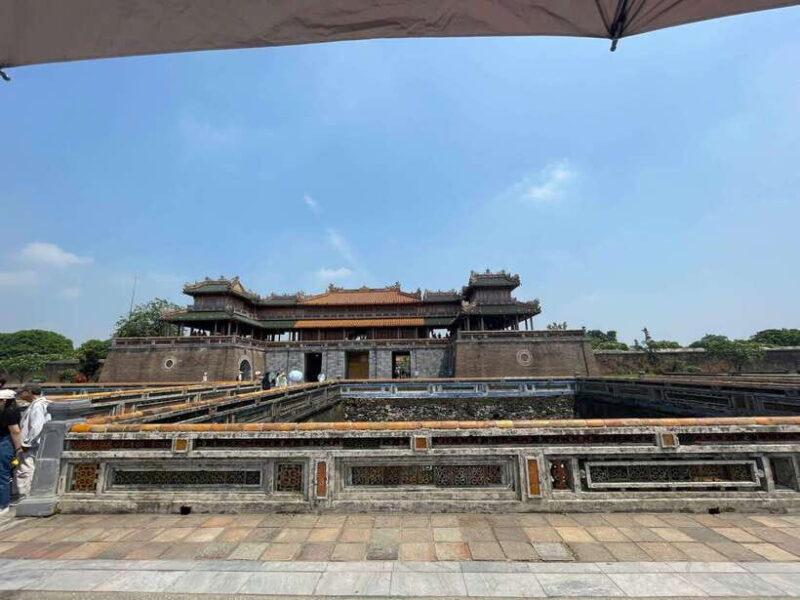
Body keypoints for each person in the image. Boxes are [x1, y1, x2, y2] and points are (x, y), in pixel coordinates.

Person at [15, 385, 51, 499]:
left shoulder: (37, 406)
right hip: (40, 443)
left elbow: (37, 427)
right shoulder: (44, 403)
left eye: (23, 392)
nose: (20, 395)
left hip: (33, 445)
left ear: (29, 392)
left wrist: (27, 443)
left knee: (26, 470)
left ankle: (25, 496)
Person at [0, 380, 22, 516]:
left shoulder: (10, 413)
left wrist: (18, 448)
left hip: (5, 443)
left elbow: (15, 431)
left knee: (3, 473)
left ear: (5, 401)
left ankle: (4, 504)